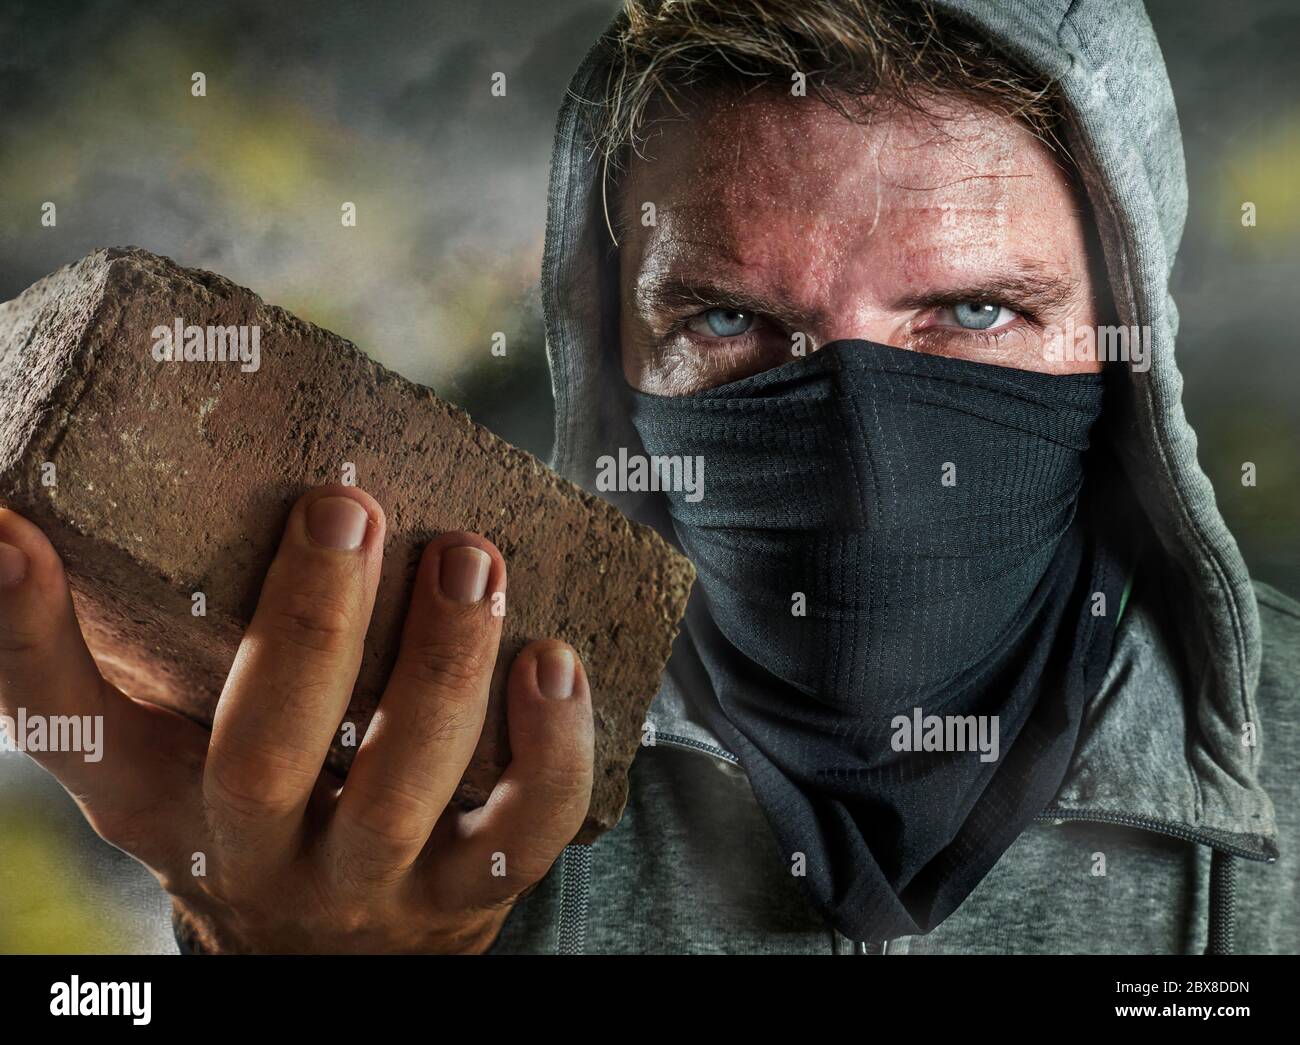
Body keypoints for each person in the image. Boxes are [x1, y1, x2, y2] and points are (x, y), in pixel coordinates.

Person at [0, 0, 1294, 954]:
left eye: (969, 309)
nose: (862, 440)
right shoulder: (418, 808)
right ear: (614, 362)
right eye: (729, 323)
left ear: (1125, 348)